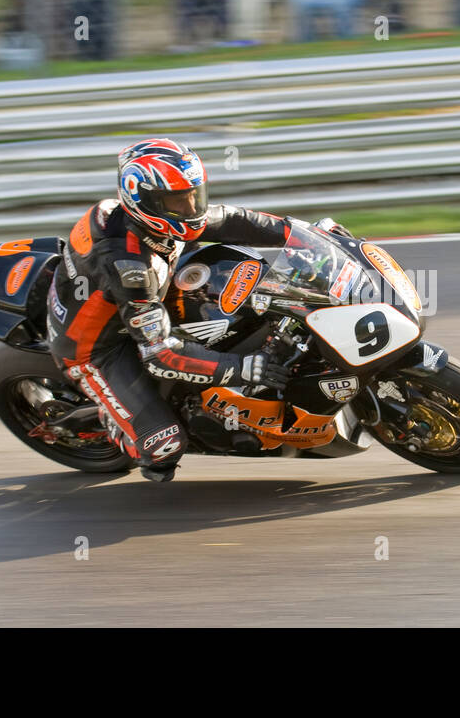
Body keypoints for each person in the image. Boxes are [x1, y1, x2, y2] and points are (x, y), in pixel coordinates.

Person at [47, 138, 292, 482]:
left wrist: (298, 232)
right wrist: (243, 368)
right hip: (97, 348)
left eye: (195, 194)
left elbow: (233, 220)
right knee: (164, 446)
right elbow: (159, 354)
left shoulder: (155, 218)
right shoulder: (130, 266)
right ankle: (111, 421)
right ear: (143, 200)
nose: (191, 207)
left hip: (142, 299)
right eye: (178, 200)